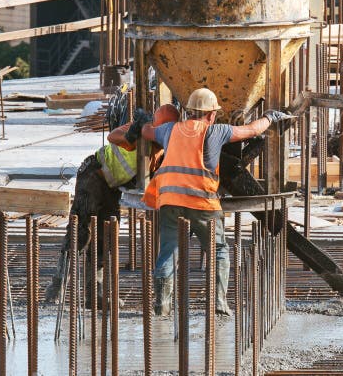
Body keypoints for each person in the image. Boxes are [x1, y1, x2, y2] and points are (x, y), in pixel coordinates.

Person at [141, 87, 290, 316]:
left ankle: (161, 305)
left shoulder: (170, 130)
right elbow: (250, 130)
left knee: (168, 252)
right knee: (218, 250)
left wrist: (141, 122)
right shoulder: (215, 131)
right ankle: (218, 303)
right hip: (202, 203)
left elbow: (147, 132)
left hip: (169, 201)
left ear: (189, 111)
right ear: (211, 114)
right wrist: (270, 117)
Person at [45, 104, 180, 306]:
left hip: (111, 187)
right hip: (93, 174)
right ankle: (57, 286)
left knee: (104, 238)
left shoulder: (166, 145)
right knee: (80, 233)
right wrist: (133, 133)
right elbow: (113, 136)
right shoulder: (142, 127)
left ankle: (94, 294)